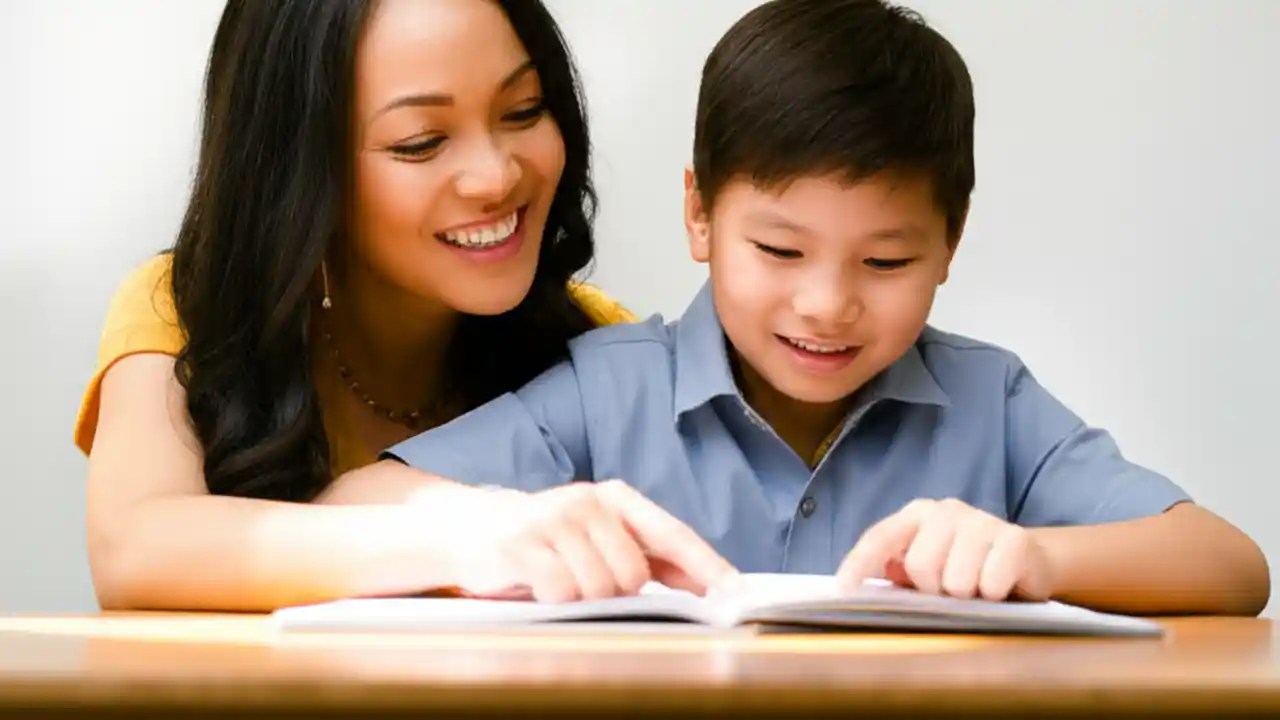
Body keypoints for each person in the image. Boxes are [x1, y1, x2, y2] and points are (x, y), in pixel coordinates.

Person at [361, 0, 1270, 613]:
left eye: (885, 259)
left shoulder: (991, 403)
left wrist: (1041, 560)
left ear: (949, 246)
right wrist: (506, 531)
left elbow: (1231, 566)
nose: (828, 304)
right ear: (701, 215)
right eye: (780, 250)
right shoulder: (608, 389)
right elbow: (357, 504)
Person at [78, 0, 733, 612]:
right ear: (298, 169)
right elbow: (134, 545)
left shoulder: (601, 348)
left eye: (524, 110)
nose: (497, 176)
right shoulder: (186, 310)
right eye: (421, 142)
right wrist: (460, 535)